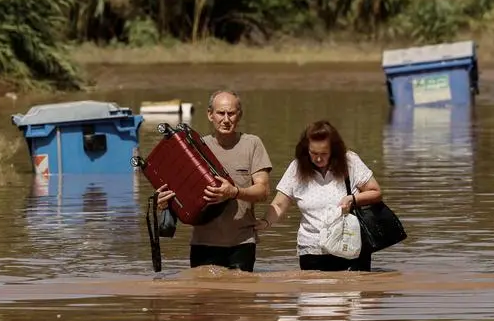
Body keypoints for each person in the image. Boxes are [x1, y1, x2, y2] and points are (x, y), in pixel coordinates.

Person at [155, 90, 272, 272]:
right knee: (204, 298)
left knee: (242, 298)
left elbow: (263, 191)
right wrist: (165, 204)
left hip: (242, 243)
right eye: (221, 113)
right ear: (210, 114)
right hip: (203, 244)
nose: (226, 119)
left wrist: (234, 192)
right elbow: (180, 196)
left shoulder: (252, 144)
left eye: (231, 113)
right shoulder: (194, 149)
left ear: (239, 115)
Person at [256, 119, 382, 272]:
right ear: (305, 150)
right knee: (312, 294)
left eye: (324, 154)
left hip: (349, 246)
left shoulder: (350, 162)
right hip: (311, 249)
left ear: (334, 150)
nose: (318, 159)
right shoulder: (296, 168)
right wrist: (264, 223)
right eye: (313, 153)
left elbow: (375, 192)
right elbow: (279, 204)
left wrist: (352, 199)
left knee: (351, 293)